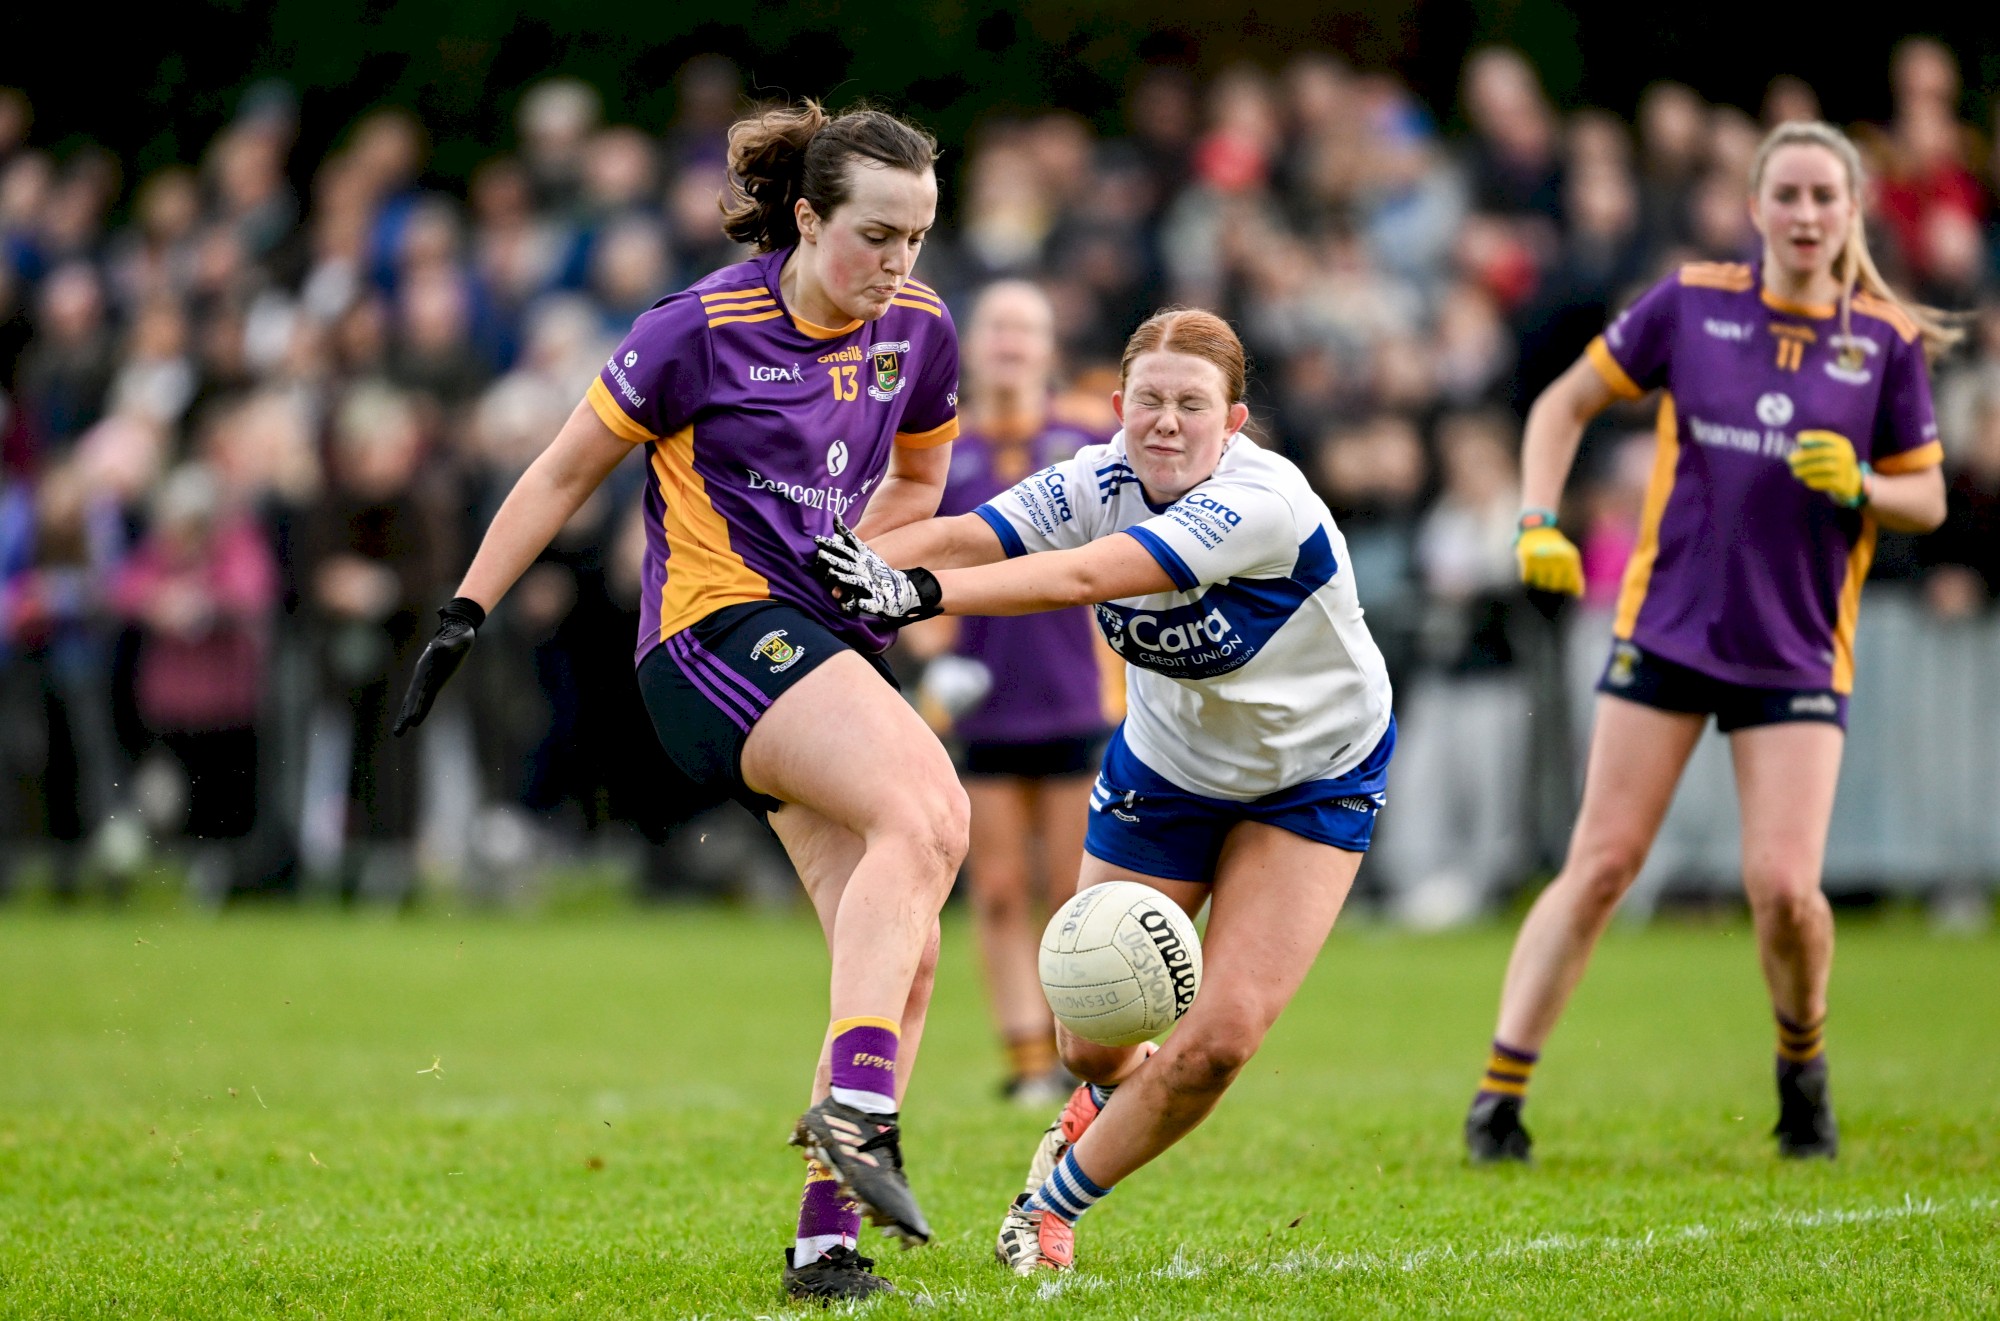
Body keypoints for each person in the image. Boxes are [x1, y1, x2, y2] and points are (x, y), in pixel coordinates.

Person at [392, 101, 966, 1304]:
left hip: (822, 643)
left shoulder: (918, 328)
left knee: (899, 954)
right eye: (874, 235)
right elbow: (559, 471)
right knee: (929, 814)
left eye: (916, 236)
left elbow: (920, 476)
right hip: (707, 640)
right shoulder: (694, 327)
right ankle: (858, 1112)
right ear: (805, 219)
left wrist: (875, 549)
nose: (897, 264)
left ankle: (824, 1247)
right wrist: (464, 612)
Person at [811, 307, 1396, 1274]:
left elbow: (1085, 573)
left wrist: (916, 595)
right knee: (1086, 1036)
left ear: (1234, 420)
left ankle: (1051, 1201)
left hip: (1315, 775)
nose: (1167, 423)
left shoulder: (1266, 503)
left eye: (1192, 405)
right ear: (1119, 406)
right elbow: (969, 532)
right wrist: (828, 559)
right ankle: (1102, 1101)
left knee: (1219, 1041)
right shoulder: (1098, 473)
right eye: (1150, 402)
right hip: (1168, 768)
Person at [1464, 120, 1953, 1164]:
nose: (1806, 215)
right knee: (1597, 865)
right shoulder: (1691, 302)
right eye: (1786, 194)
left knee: (1782, 889)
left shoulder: (1883, 343)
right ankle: (1497, 1096)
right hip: (1668, 630)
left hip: (1795, 648)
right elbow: (1561, 402)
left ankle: (1800, 1065)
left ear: (1850, 213)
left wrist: (1862, 484)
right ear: (1753, 206)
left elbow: (1929, 497)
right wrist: (1534, 519)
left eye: (1825, 197)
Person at [897, 279, 1106, 1104]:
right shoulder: (941, 447)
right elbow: (905, 564)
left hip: (1081, 695)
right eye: (998, 327)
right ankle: (1025, 1062)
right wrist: (930, 651)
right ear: (973, 346)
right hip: (984, 701)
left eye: (1029, 327)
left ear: (1050, 345)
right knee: (996, 891)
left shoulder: (1091, 436)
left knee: (1072, 889)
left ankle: (1076, 1052)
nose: (1012, 341)